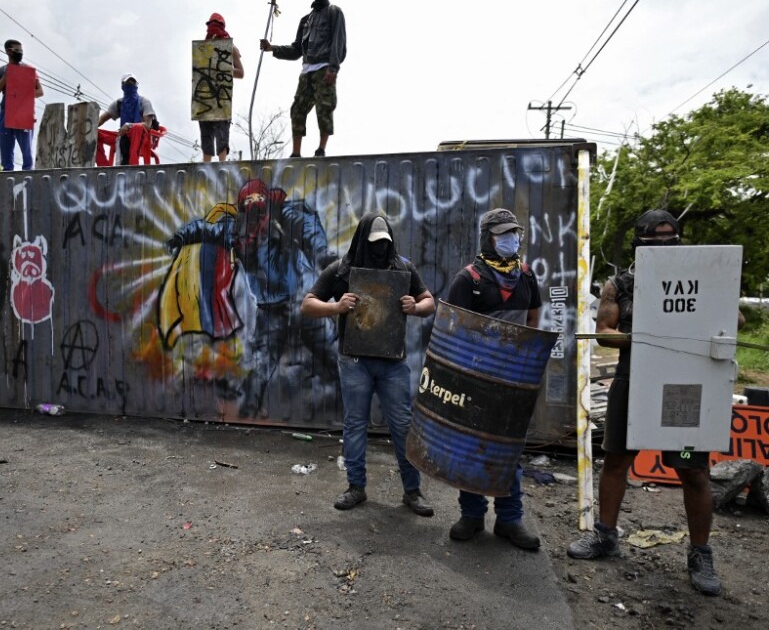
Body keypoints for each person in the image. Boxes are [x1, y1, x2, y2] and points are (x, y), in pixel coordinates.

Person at [567, 209, 742, 596]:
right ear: (639, 241)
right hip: (636, 379)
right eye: (654, 237)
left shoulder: (703, 276)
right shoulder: (622, 285)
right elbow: (603, 334)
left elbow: (736, 320)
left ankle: (700, 553)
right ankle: (606, 536)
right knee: (616, 459)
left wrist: (703, 319)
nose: (663, 244)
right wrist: (642, 336)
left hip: (686, 382)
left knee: (692, 471)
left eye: (670, 236)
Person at [164, 178, 339, 421]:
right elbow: (204, 228)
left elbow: (307, 227)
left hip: (302, 302)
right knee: (259, 369)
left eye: (260, 206)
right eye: (250, 208)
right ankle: (249, 416)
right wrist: (180, 237)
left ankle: (347, 403)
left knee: (332, 354)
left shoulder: (283, 214)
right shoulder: (235, 230)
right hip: (270, 311)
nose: (257, 216)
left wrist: (322, 254)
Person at [301, 213, 436, 515]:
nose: (380, 248)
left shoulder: (403, 268)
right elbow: (307, 304)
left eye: (385, 243)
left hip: (393, 364)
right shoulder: (342, 270)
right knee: (355, 425)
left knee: (402, 426)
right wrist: (336, 306)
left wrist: (416, 307)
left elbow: (430, 302)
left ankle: (412, 492)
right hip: (355, 362)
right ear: (362, 239)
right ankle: (356, 487)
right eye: (374, 243)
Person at [443, 208, 543, 550]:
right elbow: (451, 328)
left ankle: (509, 520)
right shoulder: (468, 278)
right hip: (475, 377)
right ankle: (472, 516)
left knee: (509, 451)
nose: (510, 239)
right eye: (502, 234)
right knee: (471, 446)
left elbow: (532, 321)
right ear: (488, 237)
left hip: (512, 381)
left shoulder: (526, 276)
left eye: (513, 233)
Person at [260, 0, 346, 159]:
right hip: (306, 71)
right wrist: (272, 48)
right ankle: (296, 153)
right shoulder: (305, 20)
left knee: (325, 108)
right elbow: (296, 49)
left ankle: (321, 149)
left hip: (325, 67)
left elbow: (338, 43)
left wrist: (333, 68)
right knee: (297, 109)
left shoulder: (334, 12)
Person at [0, 39, 43, 171]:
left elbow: (40, 92)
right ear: (8, 51)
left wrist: (23, 92)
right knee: (6, 148)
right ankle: (7, 174)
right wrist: (6, 78)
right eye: (17, 50)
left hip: (23, 112)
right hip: (5, 111)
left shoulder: (29, 70)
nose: (20, 53)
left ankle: (28, 174)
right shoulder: (1, 70)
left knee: (26, 150)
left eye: (21, 50)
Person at [200, 13, 244, 162]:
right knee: (206, 136)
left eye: (216, 25)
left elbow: (241, 72)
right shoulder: (203, 48)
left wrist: (224, 68)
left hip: (221, 98)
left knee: (222, 135)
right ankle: (206, 167)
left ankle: (222, 164)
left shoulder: (230, 48)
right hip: (205, 98)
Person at [98, 73, 157, 165]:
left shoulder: (144, 102)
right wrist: (87, 128)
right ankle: (103, 167)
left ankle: (132, 165)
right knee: (95, 134)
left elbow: (147, 125)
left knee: (137, 128)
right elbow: (101, 119)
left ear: (136, 85)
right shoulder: (119, 104)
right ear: (122, 86)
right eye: (128, 83)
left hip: (142, 137)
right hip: (123, 136)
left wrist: (129, 126)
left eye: (133, 83)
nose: (130, 85)